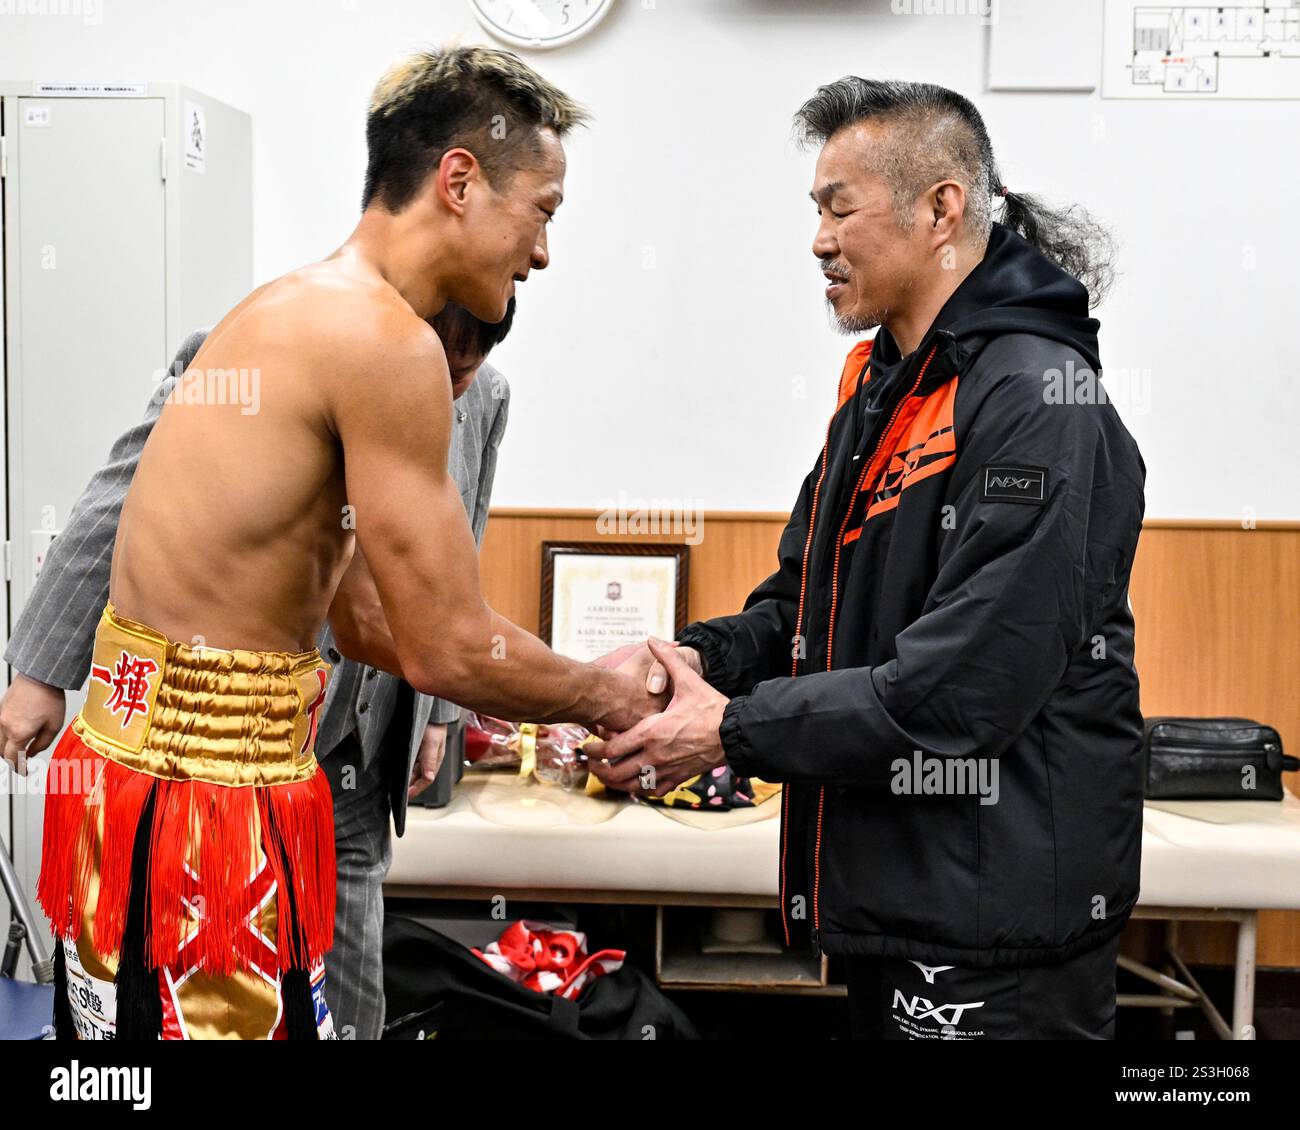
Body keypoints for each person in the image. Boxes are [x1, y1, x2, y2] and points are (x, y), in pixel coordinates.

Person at [17, 44, 662, 1040]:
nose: (541, 251)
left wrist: (539, 688)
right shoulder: (381, 341)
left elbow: (367, 624)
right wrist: (608, 696)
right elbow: (445, 643)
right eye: (543, 210)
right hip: (203, 814)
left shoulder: (290, 308)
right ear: (459, 181)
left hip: (151, 785)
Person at [589, 78, 1146, 1040]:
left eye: (838, 206)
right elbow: (800, 606)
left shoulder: (1037, 399)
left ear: (942, 209)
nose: (817, 238)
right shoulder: (883, 390)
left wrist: (731, 732)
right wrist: (683, 666)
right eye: (815, 209)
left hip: (995, 928)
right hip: (897, 903)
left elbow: (969, 684)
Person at [1, 299, 516, 1040]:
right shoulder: (248, 358)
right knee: (206, 998)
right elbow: (121, 494)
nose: (453, 390)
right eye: (447, 365)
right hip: (238, 763)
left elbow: (459, 548)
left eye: (466, 373)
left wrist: (438, 713)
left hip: (366, 751)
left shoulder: (489, 398)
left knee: (353, 985)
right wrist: (41, 673)